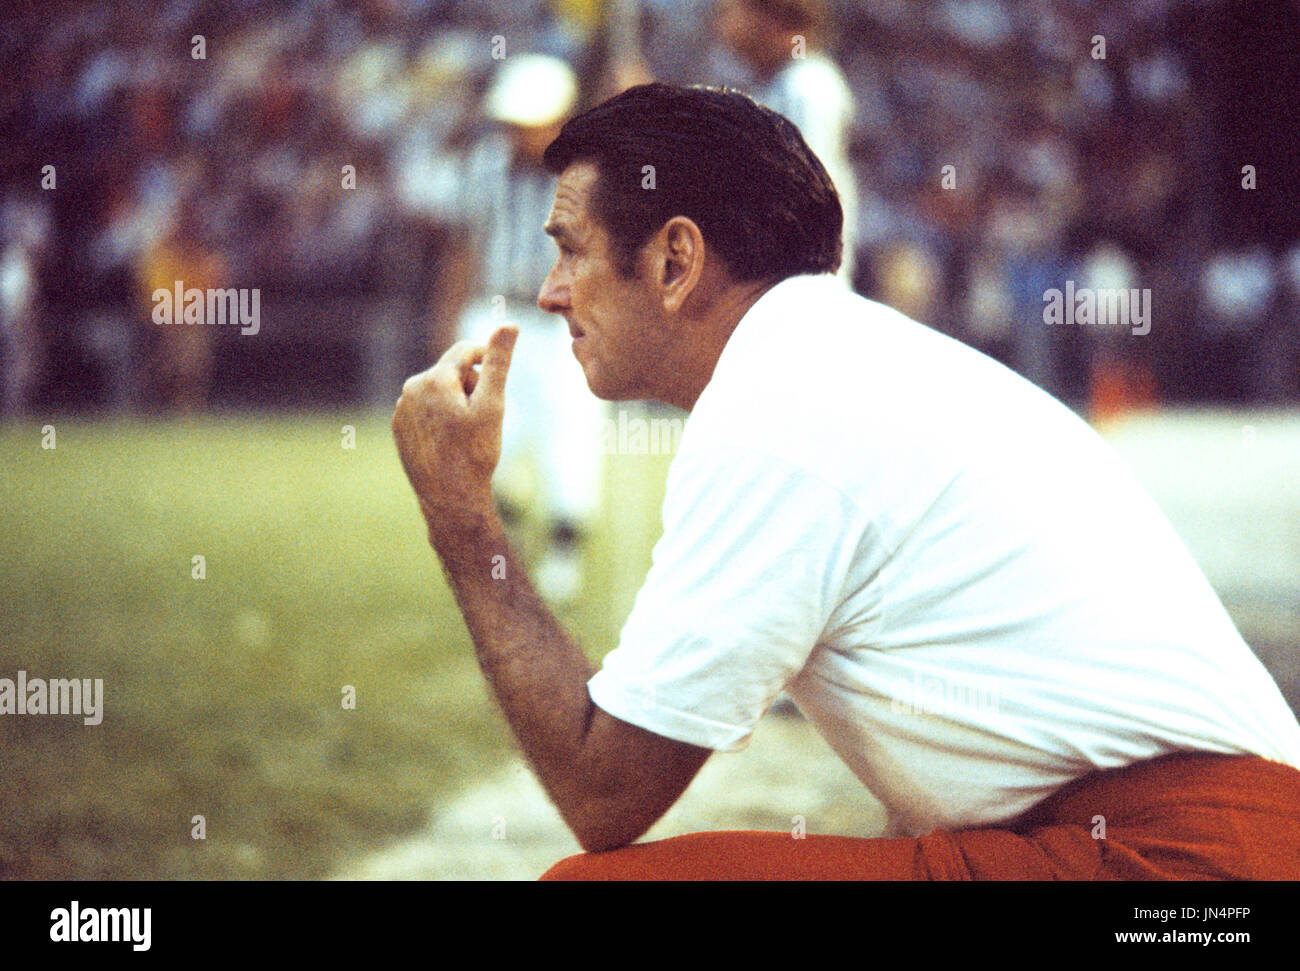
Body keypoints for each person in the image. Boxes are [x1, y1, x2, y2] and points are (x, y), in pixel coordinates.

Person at [390, 83, 1300, 880]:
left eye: (571, 249)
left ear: (674, 260)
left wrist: (459, 510)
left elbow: (605, 788)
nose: (550, 292)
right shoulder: (839, 359)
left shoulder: (774, 411)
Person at [397, 52, 605, 605]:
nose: (516, 133)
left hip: (563, 320)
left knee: (570, 431)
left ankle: (565, 549)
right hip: (496, 311)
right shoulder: (484, 165)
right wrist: (448, 324)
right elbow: (463, 247)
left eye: (528, 121)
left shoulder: (585, 175)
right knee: (480, 434)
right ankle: (498, 538)